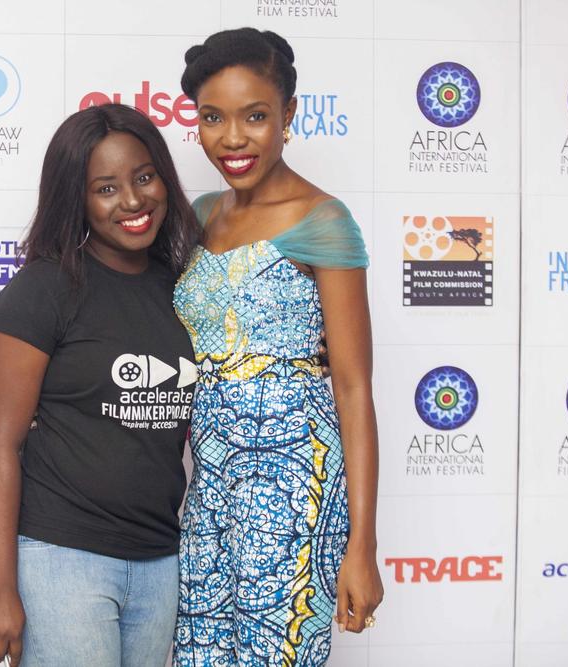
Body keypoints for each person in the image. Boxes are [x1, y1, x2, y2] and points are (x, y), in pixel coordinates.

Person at [172, 28, 384, 666]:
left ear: (289, 115)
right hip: (209, 488)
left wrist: (362, 547)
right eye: (213, 118)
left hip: (293, 489)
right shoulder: (202, 214)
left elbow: (351, 386)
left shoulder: (322, 219)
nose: (232, 139)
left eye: (255, 116)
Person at [0, 103, 200, 667]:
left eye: (144, 177)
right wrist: (1, 587)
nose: (132, 200)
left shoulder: (184, 290)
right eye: (106, 187)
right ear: (76, 198)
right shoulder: (45, 290)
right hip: (63, 558)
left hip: (159, 561)